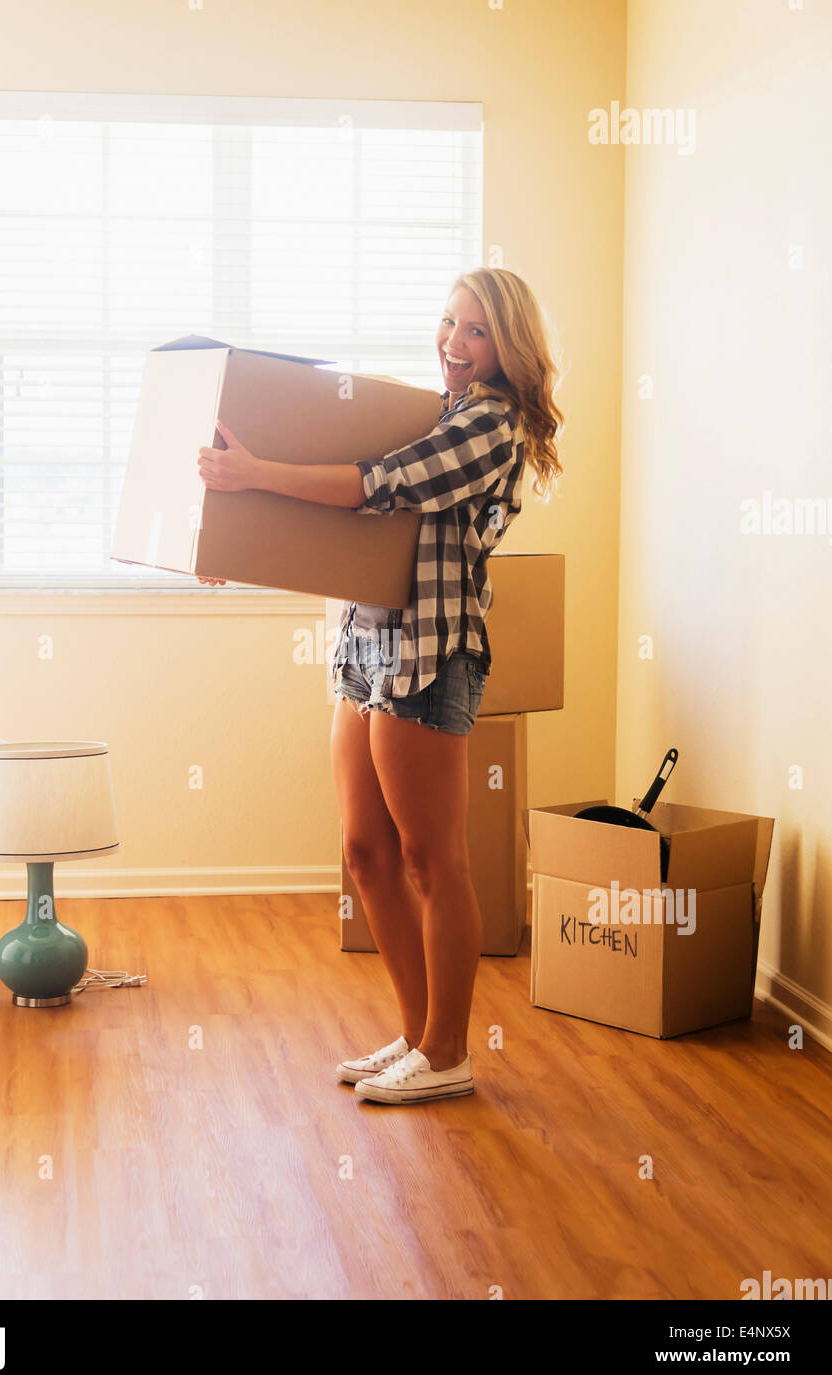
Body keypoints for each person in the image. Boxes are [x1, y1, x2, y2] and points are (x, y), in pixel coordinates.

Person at [197, 267, 564, 1104]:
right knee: (366, 853)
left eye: (475, 331)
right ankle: (412, 1036)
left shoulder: (489, 426)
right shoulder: (426, 413)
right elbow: (345, 522)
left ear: (509, 347)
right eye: (448, 323)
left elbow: (373, 487)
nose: (453, 343)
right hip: (364, 641)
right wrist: (237, 542)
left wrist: (251, 478)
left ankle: (447, 1053)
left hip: (432, 653)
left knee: (434, 861)